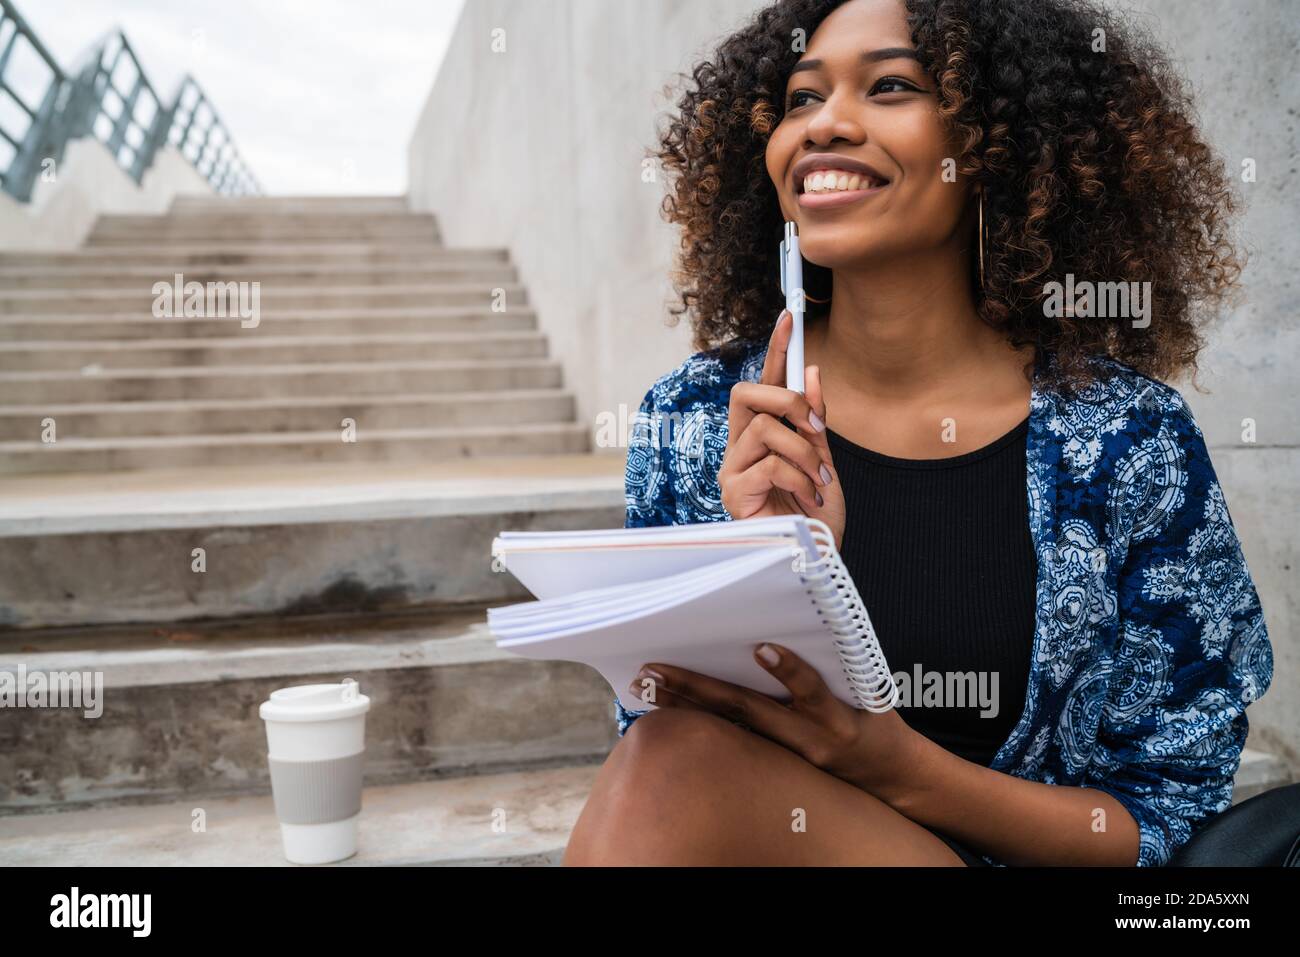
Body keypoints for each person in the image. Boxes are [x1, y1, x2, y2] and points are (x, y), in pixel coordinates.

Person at [562, 0, 1272, 866]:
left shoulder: (1130, 440)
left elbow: (1163, 820)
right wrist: (769, 574)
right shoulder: (704, 414)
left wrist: (899, 766)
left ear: (991, 143)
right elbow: (658, 732)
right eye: (799, 99)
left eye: (890, 85)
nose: (824, 123)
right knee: (670, 758)